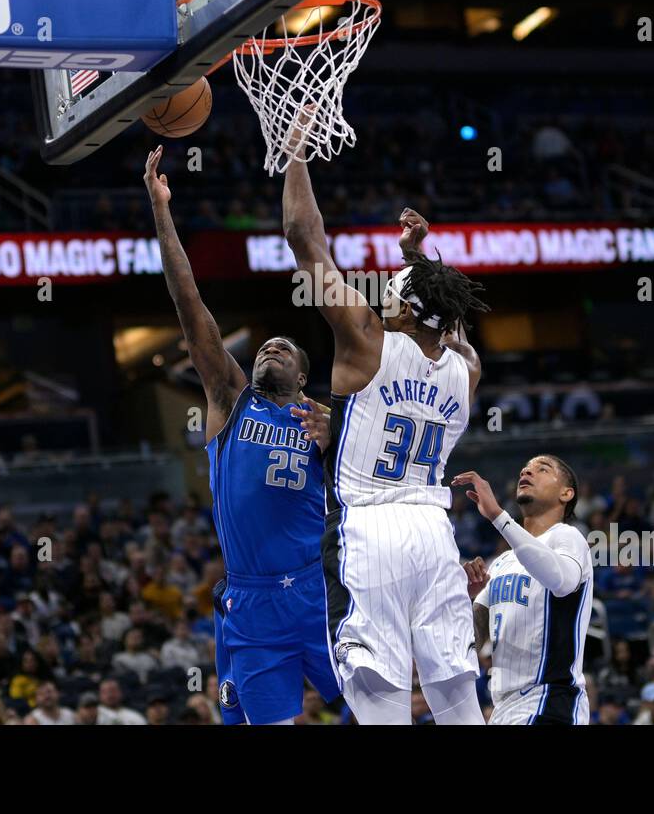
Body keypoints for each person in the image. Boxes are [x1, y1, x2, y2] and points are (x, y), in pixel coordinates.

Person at [281, 139, 489, 725]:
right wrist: (420, 259)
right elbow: (449, 320)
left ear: (398, 306)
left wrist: (293, 149)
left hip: (369, 531)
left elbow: (304, 236)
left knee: (381, 703)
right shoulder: (467, 369)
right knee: (457, 700)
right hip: (432, 530)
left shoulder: (367, 339)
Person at [143, 145, 340, 725]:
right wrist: (161, 210)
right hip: (251, 602)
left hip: (319, 588)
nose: (270, 346)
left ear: (303, 376)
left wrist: (337, 443)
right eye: (263, 346)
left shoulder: (325, 416)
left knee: (384, 706)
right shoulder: (232, 401)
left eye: (284, 347)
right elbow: (190, 306)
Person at [456, 455, 594, 725]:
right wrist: (463, 598)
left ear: (567, 493)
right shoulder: (502, 562)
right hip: (503, 708)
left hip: (550, 700)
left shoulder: (567, 536)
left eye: (542, 469)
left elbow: (562, 581)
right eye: (525, 469)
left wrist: (497, 516)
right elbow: (472, 640)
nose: (527, 472)